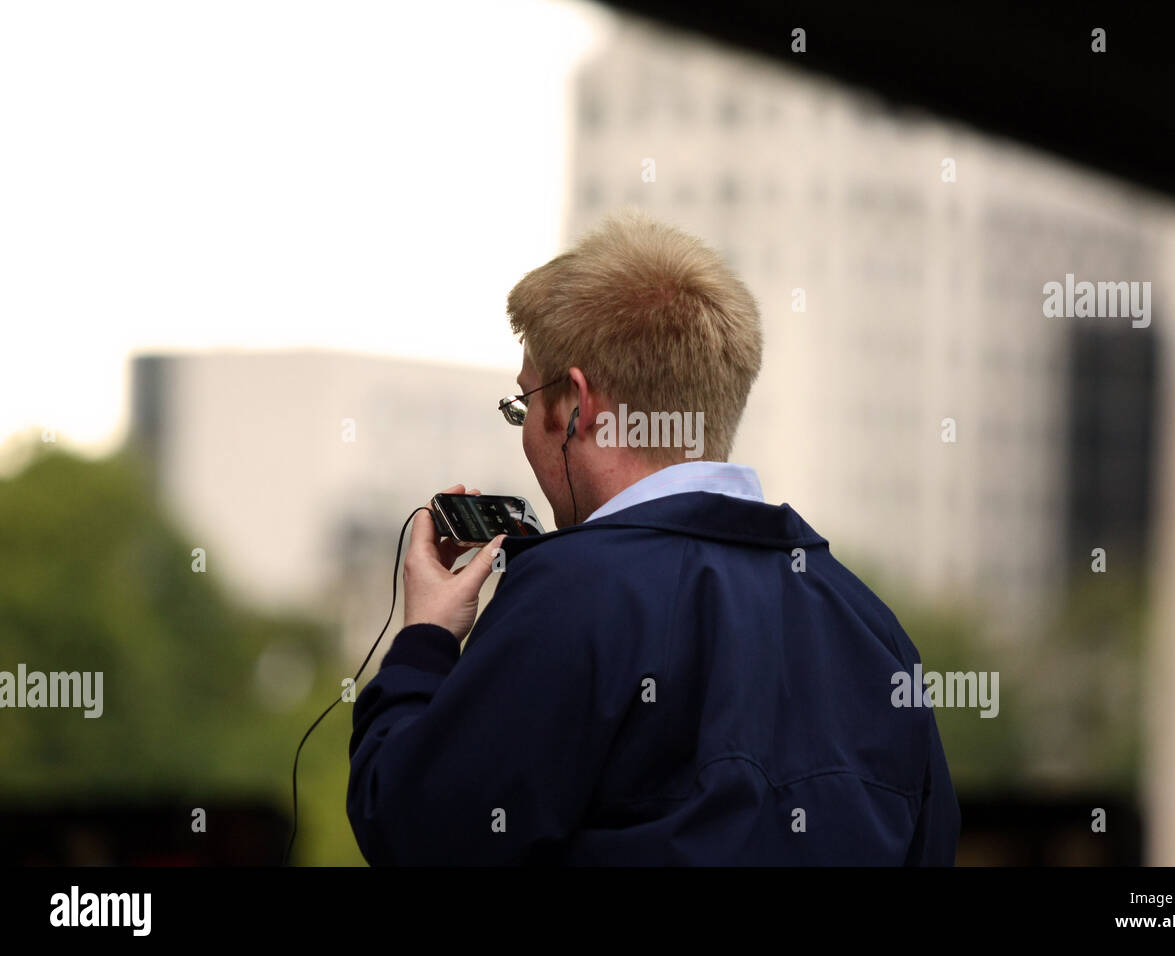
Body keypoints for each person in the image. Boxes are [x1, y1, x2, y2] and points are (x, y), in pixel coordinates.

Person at [346, 209, 960, 865]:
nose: (524, 428)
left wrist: (425, 642)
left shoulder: (572, 594)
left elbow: (417, 830)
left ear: (576, 404)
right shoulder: (871, 626)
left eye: (524, 404)